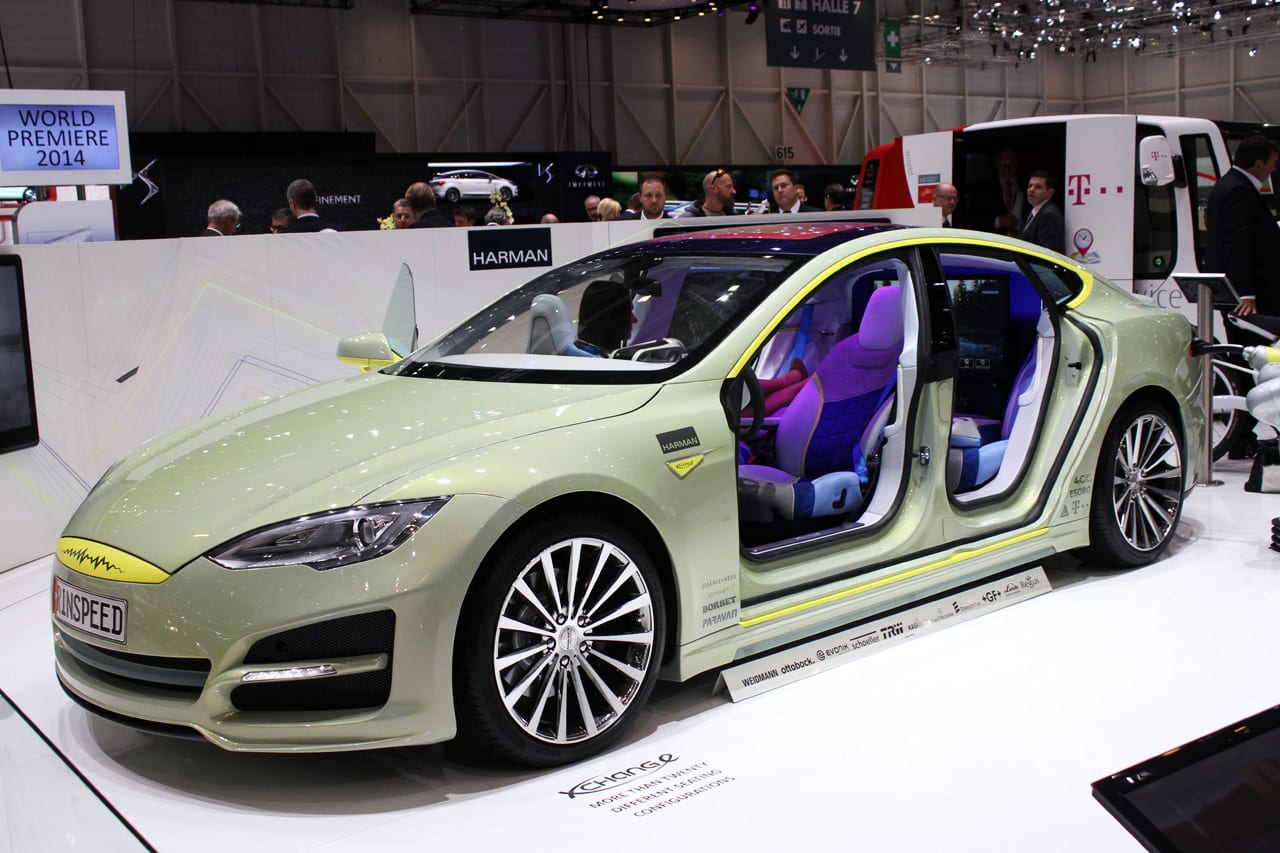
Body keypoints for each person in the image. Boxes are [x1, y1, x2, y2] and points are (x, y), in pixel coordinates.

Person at [1206, 134, 1280, 318]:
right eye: (1273, 163)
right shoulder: (1239, 190)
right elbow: (1238, 244)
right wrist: (1246, 293)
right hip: (1249, 297)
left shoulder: (1225, 185)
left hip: (1235, 292)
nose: (1274, 168)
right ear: (1259, 164)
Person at [983, 146, 1026, 236]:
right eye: (1002, 162)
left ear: (1017, 164)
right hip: (995, 240)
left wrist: (1020, 224)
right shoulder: (984, 188)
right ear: (996, 164)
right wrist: (999, 221)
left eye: (1011, 162)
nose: (1007, 166)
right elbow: (974, 219)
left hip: (1023, 239)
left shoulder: (1027, 185)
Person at [1019, 171, 1064, 253]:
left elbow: (1048, 251)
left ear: (1050, 193)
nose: (1031, 190)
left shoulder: (1049, 214)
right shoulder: (1035, 211)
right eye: (1030, 186)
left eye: (1038, 187)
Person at [673, 168, 737, 217]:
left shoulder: (733, 216)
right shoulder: (689, 220)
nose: (734, 191)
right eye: (729, 187)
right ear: (714, 189)